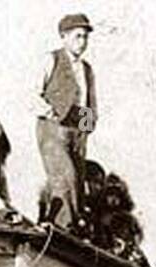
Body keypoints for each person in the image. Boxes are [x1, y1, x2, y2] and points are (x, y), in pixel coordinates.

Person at [37, 14, 98, 230]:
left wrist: (85, 132)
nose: (82, 42)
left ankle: (73, 225)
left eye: (85, 37)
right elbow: (33, 92)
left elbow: (89, 101)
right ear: (64, 37)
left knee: (78, 179)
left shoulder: (87, 69)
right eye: (77, 36)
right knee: (64, 175)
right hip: (53, 128)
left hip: (77, 130)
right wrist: (50, 112)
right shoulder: (51, 59)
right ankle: (63, 225)